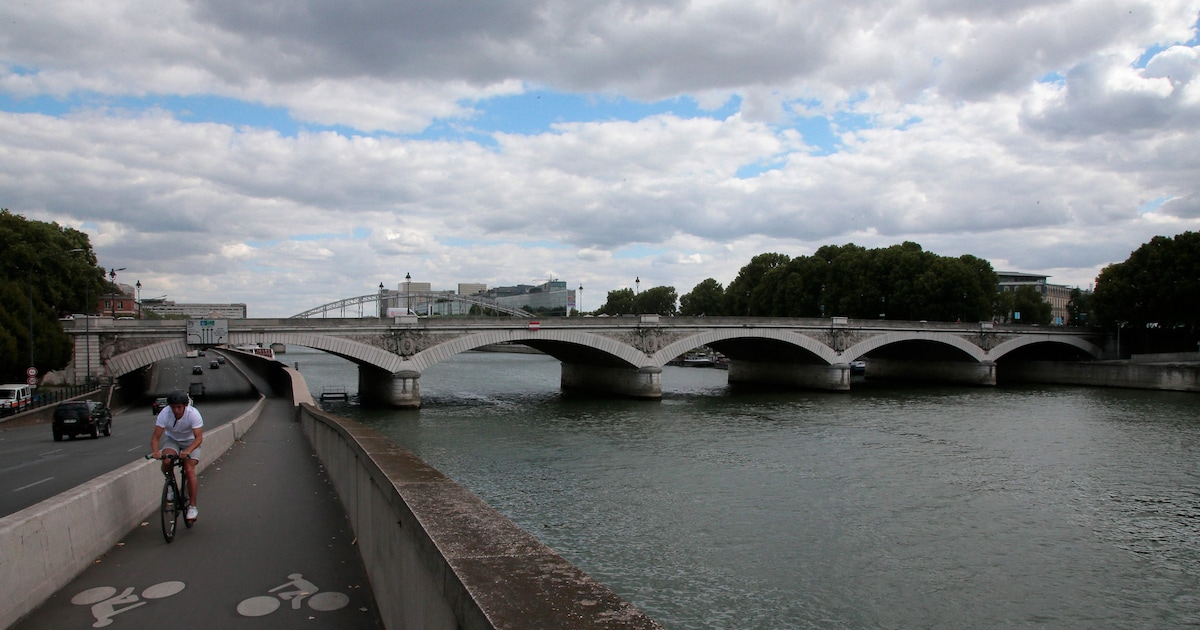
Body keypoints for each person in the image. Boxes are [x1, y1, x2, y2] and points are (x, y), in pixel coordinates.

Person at [151, 389, 204, 522]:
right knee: (166, 461)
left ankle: (192, 506)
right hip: (173, 440)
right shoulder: (165, 413)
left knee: (189, 469)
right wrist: (156, 451)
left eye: (179, 407)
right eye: (173, 407)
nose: (176, 410)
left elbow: (199, 438)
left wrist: (187, 451)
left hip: (190, 442)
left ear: (185, 406)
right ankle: (171, 486)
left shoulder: (193, 414)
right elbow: (155, 437)